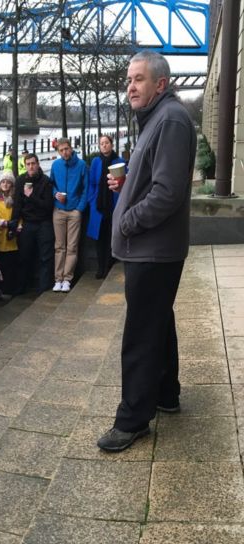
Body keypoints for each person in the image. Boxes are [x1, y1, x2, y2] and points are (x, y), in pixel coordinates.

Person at [97, 51, 196, 452]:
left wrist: (127, 219)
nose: (130, 87)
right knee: (157, 320)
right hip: (153, 248)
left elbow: (168, 193)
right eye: (128, 80)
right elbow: (155, 180)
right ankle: (165, 394)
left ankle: (133, 418)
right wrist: (128, 191)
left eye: (138, 79)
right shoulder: (158, 118)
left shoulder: (169, 119)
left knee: (139, 333)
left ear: (161, 83)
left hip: (152, 249)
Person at [12, 154, 55, 294]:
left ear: (38, 164)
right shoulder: (20, 180)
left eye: (33, 163)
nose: (31, 166)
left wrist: (32, 196)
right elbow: (17, 204)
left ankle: (44, 287)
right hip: (28, 222)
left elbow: (48, 206)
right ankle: (21, 287)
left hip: (44, 222)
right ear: (25, 165)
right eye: (28, 164)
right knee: (24, 255)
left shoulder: (46, 181)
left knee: (45, 256)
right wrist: (14, 223)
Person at [50, 138, 87, 293]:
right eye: (61, 150)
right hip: (58, 210)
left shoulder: (81, 165)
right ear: (58, 151)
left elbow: (86, 188)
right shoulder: (56, 165)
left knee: (72, 246)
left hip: (74, 211)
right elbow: (51, 184)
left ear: (71, 148)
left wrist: (79, 209)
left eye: (66, 149)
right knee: (59, 246)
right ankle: (58, 279)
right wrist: (55, 194)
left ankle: (67, 279)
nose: (64, 152)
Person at [86, 134, 120, 278]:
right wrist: (92, 199)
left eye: (106, 142)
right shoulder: (96, 162)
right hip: (99, 206)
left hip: (113, 205)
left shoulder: (119, 161)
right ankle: (100, 268)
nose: (104, 145)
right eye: (101, 143)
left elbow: (122, 183)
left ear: (111, 144)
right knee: (99, 239)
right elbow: (92, 183)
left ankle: (108, 267)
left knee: (111, 238)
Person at [0, 172, 20, 300]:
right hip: (0, 236)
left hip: (12, 237)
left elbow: (18, 213)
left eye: (8, 182)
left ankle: (4, 290)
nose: (5, 184)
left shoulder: (15, 199)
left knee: (9, 267)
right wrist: (2, 222)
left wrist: (19, 225)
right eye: (3, 182)